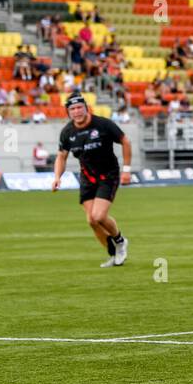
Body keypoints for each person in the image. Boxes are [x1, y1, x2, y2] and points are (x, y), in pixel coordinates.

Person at [52, 93, 132, 268]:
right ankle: (114, 254)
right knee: (92, 221)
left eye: (79, 107)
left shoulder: (103, 124)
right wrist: (57, 177)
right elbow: (61, 157)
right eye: (72, 109)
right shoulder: (67, 132)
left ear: (86, 107)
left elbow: (125, 142)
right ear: (68, 112)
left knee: (98, 215)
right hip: (87, 178)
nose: (76, 111)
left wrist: (126, 170)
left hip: (108, 175)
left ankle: (120, 241)